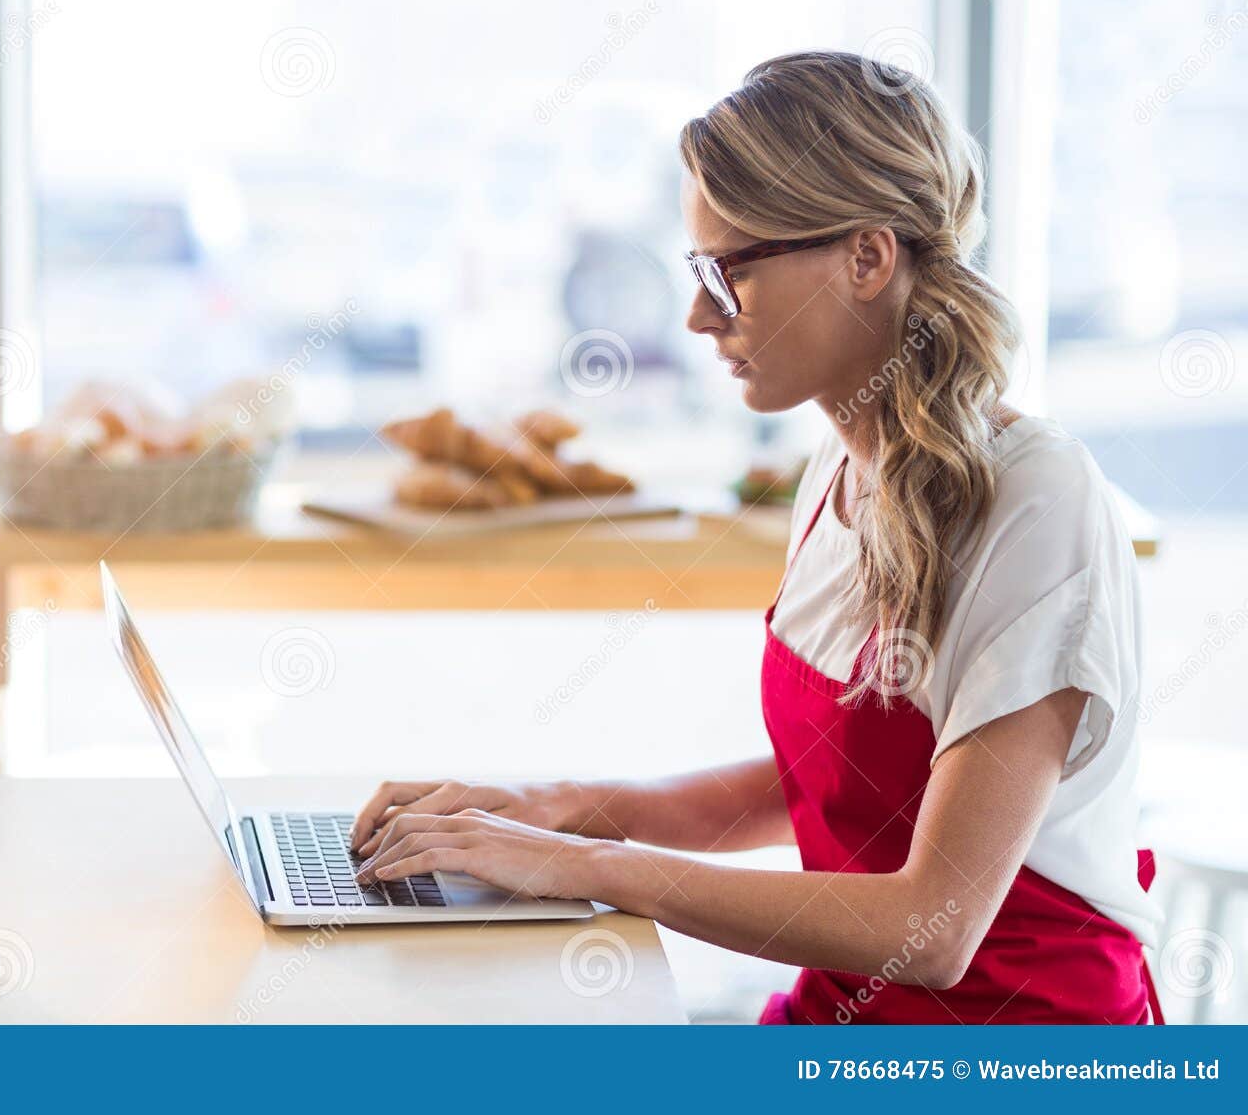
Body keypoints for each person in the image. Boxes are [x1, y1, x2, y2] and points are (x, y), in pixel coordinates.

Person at [349, 50, 1162, 1024]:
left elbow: (934, 924)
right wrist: (550, 803)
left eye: (731, 272)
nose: (698, 315)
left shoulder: (1035, 501)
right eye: (697, 270)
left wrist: (582, 863)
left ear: (867, 256)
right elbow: (823, 785)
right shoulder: (838, 467)